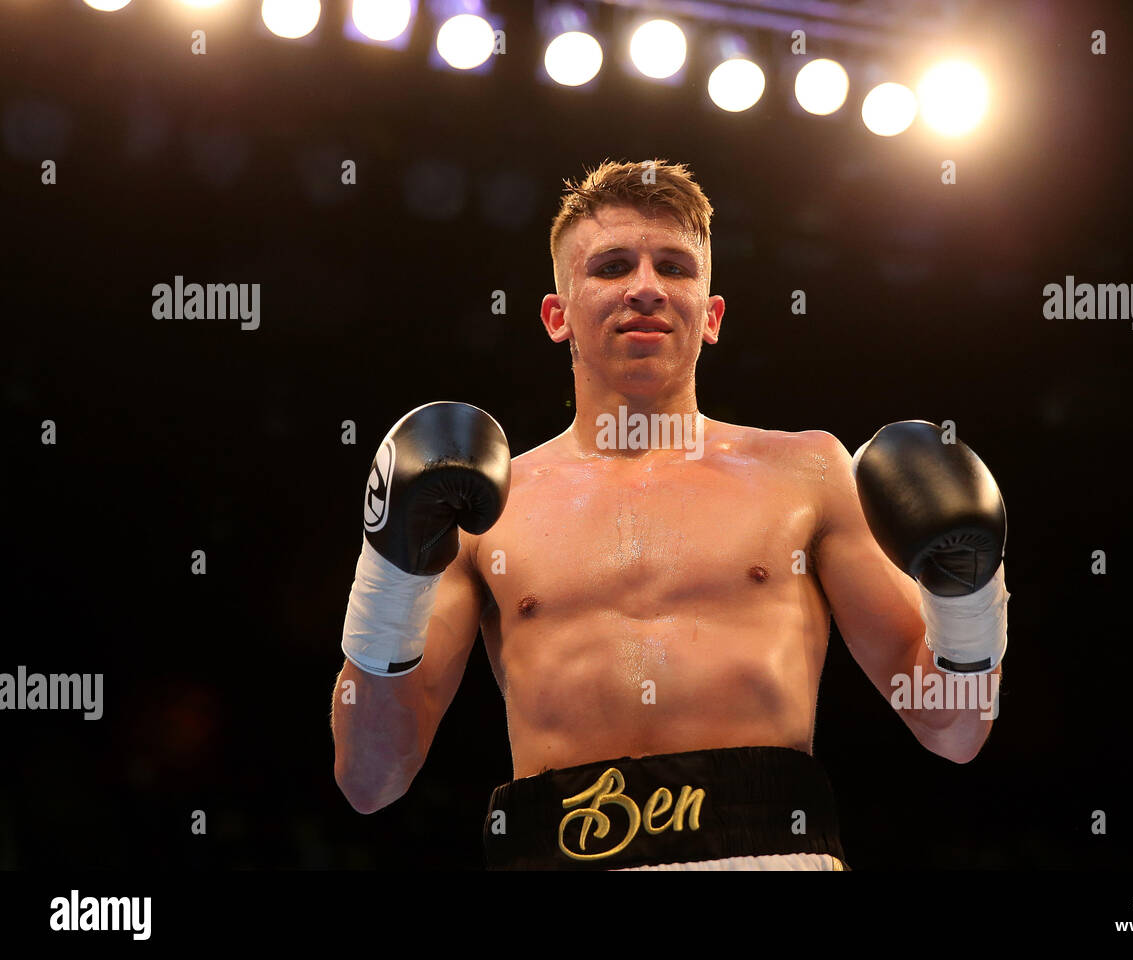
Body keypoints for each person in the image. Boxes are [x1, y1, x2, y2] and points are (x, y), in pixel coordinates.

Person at [331, 159, 1010, 870]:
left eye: (676, 268)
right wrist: (390, 574)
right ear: (556, 316)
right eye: (614, 265)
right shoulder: (488, 509)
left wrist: (968, 593)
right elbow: (370, 779)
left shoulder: (808, 472)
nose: (646, 288)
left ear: (710, 315)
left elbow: (954, 728)